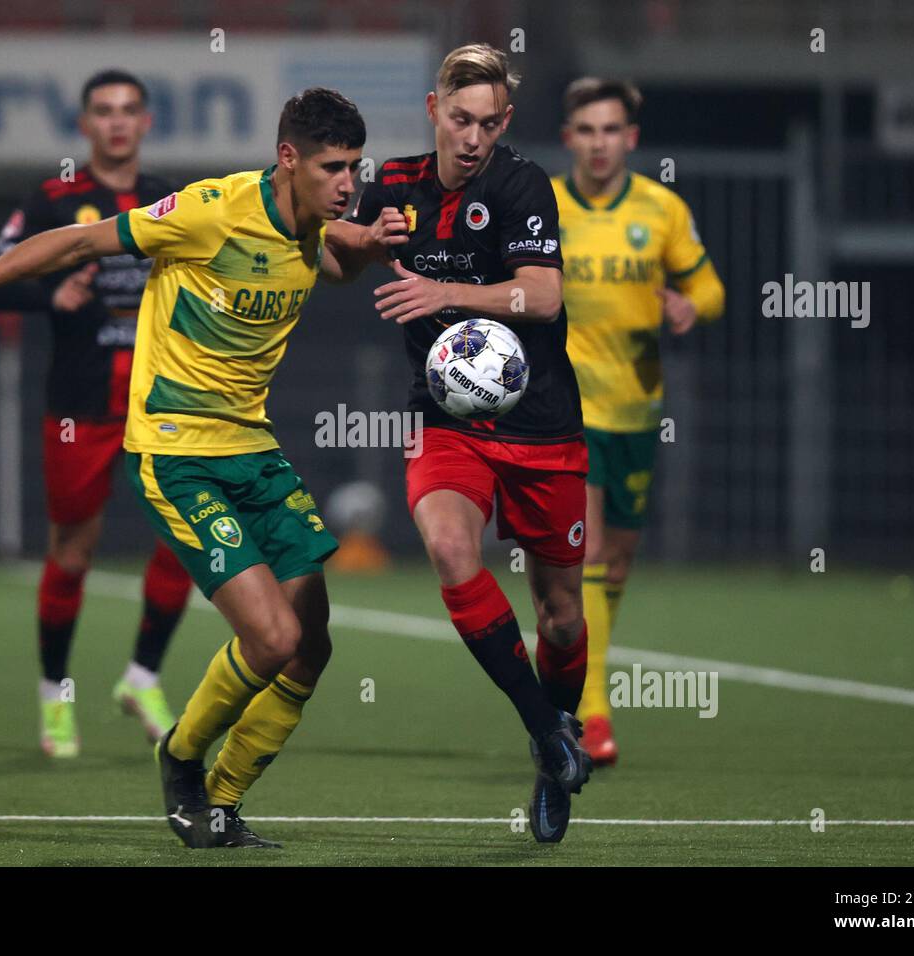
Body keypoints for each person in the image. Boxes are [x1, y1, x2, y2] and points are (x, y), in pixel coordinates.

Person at [0, 88, 406, 848]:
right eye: (334, 167)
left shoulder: (317, 224)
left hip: (252, 448)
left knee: (315, 641)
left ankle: (221, 803)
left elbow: (333, 265)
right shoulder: (211, 209)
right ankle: (182, 759)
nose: (348, 183)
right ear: (288, 158)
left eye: (356, 167)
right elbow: (78, 243)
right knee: (271, 639)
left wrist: (369, 244)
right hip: (177, 452)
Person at [336, 43, 592, 844]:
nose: (472, 136)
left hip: (543, 427)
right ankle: (548, 738)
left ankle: (559, 735)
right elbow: (331, 260)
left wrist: (445, 291)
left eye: (487, 122)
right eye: (459, 118)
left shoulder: (521, 185)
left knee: (558, 618)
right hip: (448, 421)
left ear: (505, 122)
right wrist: (362, 245)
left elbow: (545, 298)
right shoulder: (393, 186)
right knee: (451, 552)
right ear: (432, 110)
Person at [0, 69, 192, 759]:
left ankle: (142, 677)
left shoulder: (171, 199)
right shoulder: (53, 198)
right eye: (103, 111)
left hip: (161, 404)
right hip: (80, 406)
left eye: (129, 110)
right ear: (84, 125)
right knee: (72, 555)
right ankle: (54, 699)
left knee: (188, 540)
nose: (116, 123)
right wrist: (52, 297)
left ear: (146, 122)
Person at [553, 78, 725, 766]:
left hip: (637, 409)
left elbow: (709, 286)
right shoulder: (546, 207)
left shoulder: (660, 209)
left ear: (632, 138)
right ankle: (591, 713)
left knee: (616, 561)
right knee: (590, 552)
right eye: (587, 131)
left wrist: (689, 307)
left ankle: (581, 687)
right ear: (569, 138)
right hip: (565, 408)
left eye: (611, 130)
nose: (600, 143)